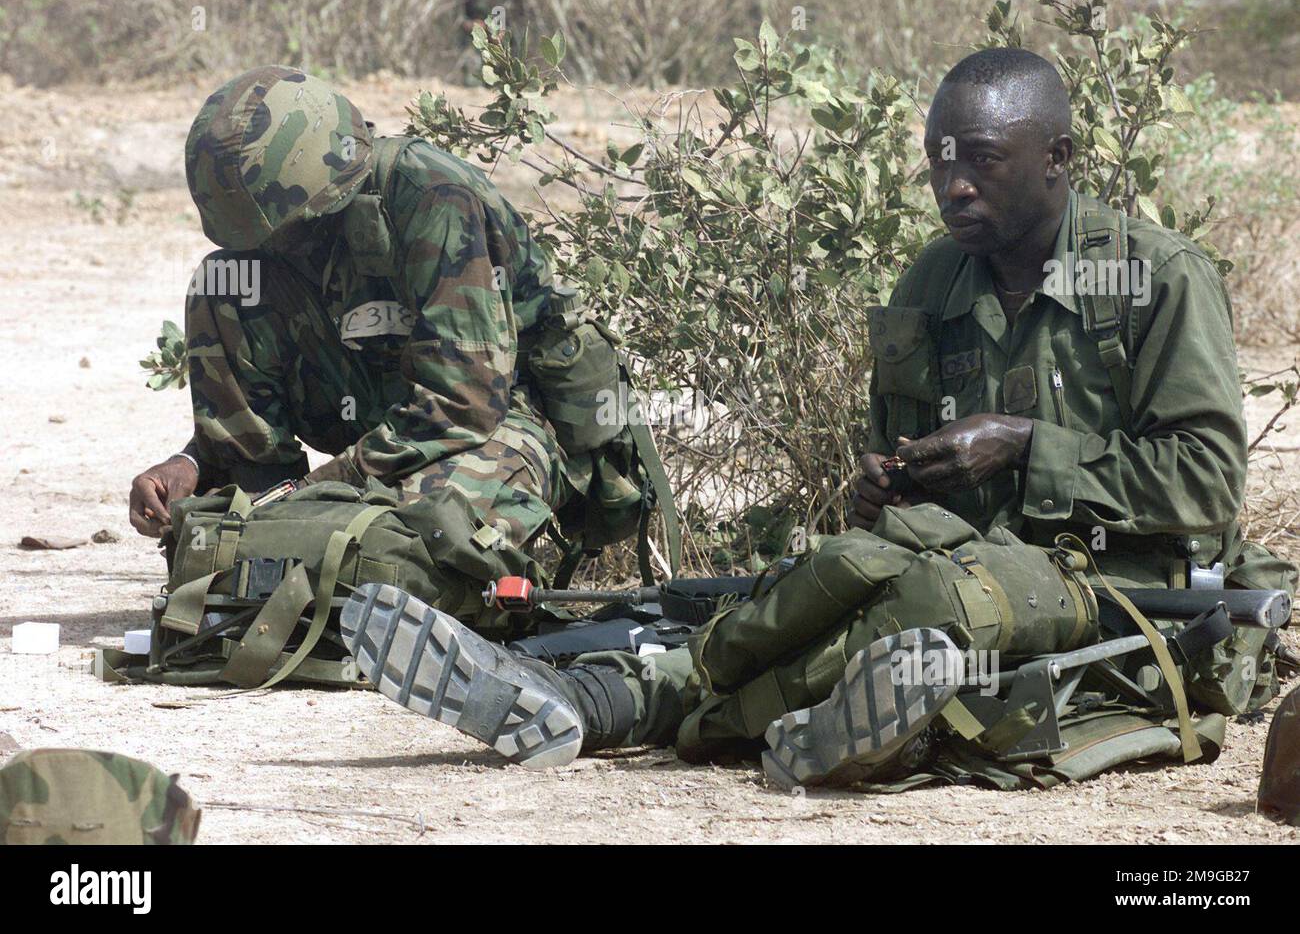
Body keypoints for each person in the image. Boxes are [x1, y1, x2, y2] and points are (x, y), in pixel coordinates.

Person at [343, 48, 1296, 785]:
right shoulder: (933, 278)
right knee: (837, 567)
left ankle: (619, 704)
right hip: (951, 555)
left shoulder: (1156, 279)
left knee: (932, 603)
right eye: (939, 164)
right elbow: (890, 479)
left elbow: (1204, 485)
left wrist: (1021, 445)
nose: (954, 187)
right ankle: (795, 723)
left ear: (1059, 160)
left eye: (985, 164)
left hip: (1124, 582)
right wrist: (882, 481)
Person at [128, 66, 568, 558]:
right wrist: (195, 464)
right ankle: (267, 524)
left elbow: (464, 402)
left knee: (409, 542)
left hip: (494, 424)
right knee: (223, 281)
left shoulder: (433, 199)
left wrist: (321, 491)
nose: (273, 249)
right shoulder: (273, 248)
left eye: (285, 232)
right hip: (377, 427)